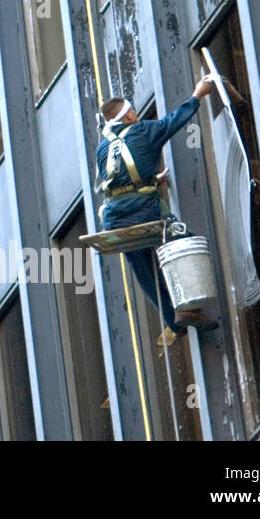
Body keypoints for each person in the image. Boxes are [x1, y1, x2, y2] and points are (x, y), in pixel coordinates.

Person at [96, 76, 220, 338]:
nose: (135, 113)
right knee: (184, 242)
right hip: (144, 210)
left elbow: (118, 180)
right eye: (132, 109)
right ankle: (189, 306)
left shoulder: (103, 147)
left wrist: (152, 180)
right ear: (128, 115)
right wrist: (197, 94)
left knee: (141, 264)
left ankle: (173, 320)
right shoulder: (144, 131)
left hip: (114, 220)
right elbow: (174, 121)